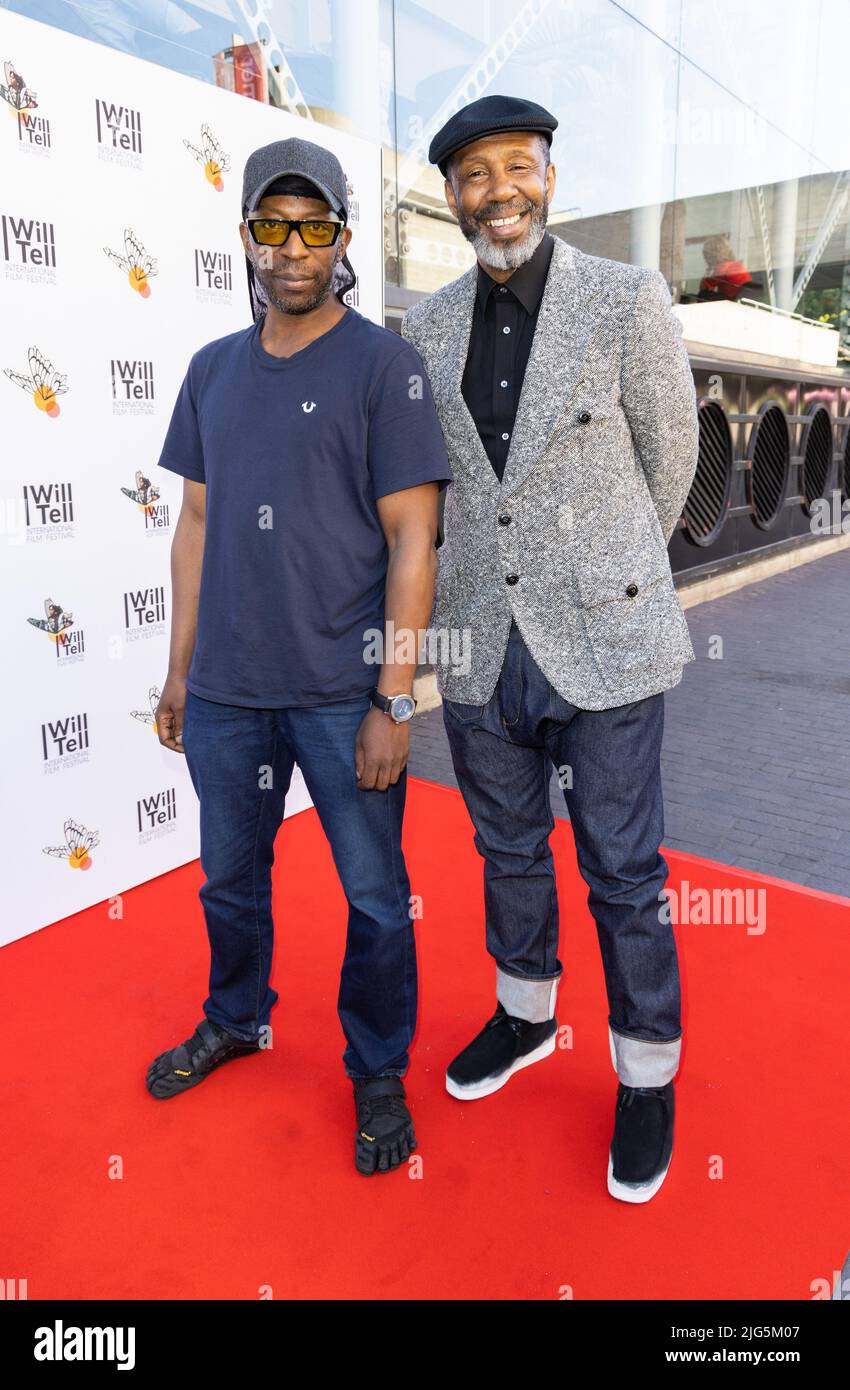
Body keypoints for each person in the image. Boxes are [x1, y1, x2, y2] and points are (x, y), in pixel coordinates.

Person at [401, 95, 699, 1203]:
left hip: (604, 641)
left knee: (622, 871)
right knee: (507, 851)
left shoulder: (623, 299)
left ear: (548, 176)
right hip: (479, 642)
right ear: (450, 196)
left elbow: (668, 462)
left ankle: (644, 1075)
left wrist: (606, 577)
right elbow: (430, 494)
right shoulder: (425, 327)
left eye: (514, 167)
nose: (497, 192)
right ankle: (524, 1017)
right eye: (473, 176)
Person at [147, 136, 452, 1177]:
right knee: (226, 883)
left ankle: (375, 1067)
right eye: (270, 226)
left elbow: (415, 538)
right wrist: (181, 668)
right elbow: (191, 523)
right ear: (244, 236)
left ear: (341, 239)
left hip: (341, 695)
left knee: (373, 897)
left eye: (311, 227)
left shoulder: (383, 366)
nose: (290, 247)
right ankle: (235, 1016)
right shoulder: (209, 372)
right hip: (227, 692)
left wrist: (394, 701)